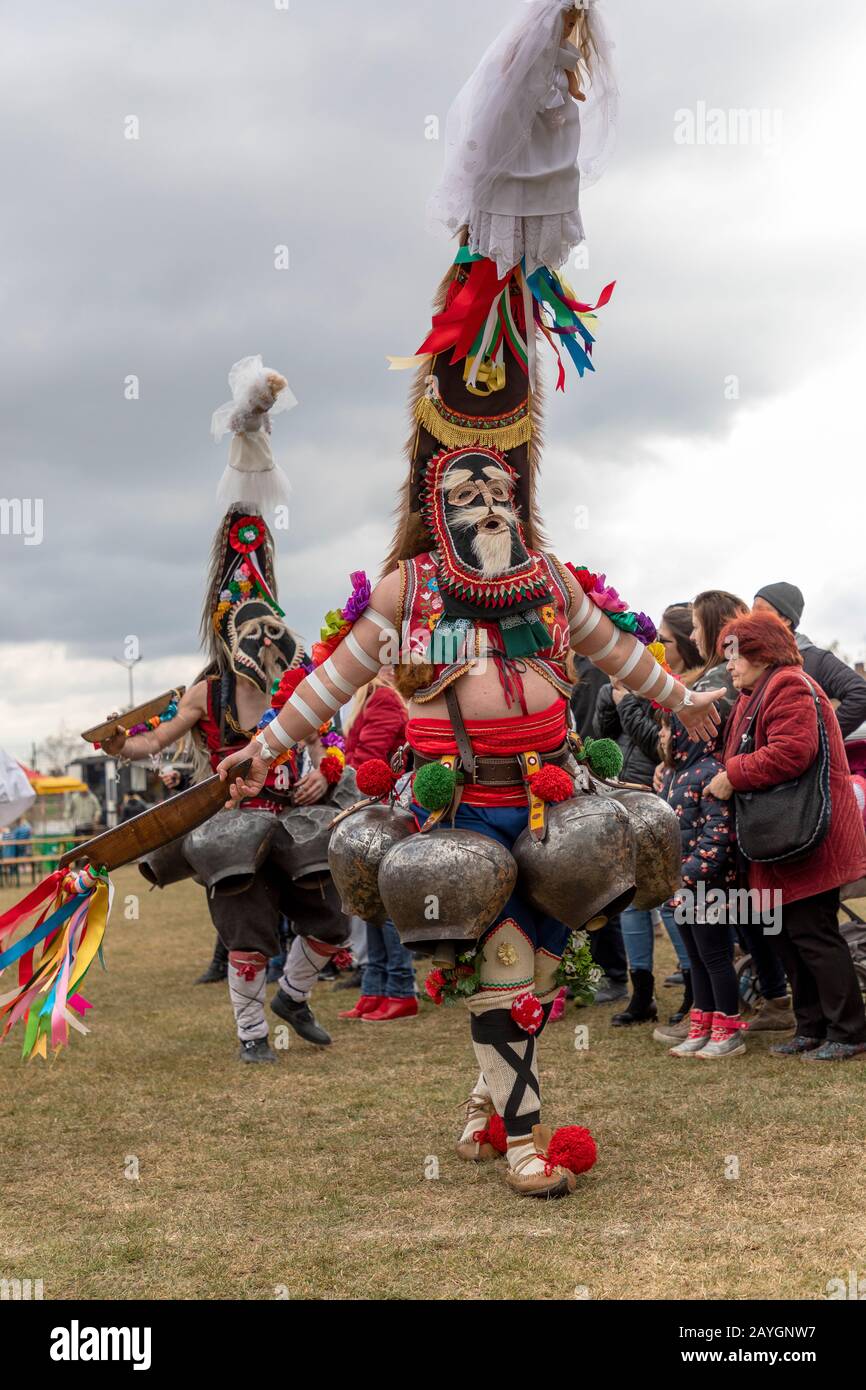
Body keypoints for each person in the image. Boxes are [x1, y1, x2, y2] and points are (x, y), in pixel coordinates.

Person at [100, 359, 354, 1063]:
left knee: (331, 924)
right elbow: (156, 745)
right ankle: (251, 1038)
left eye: (269, 630)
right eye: (250, 632)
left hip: (298, 820)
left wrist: (326, 769)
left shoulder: (297, 681)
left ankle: (294, 1000)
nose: (262, 644)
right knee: (247, 940)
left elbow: (331, 735)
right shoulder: (203, 692)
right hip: (232, 827)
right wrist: (122, 744)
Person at [710, 612, 866, 1062]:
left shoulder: (790, 685)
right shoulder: (754, 693)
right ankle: (812, 1025)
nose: (730, 666)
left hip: (808, 834)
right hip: (782, 836)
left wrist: (732, 776)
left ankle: (849, 1030)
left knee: (813, 933)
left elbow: (792, 752)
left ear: (762, 652)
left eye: (735, 655)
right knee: (787, 936)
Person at [683, 589, 795, 1037]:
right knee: (748, 917)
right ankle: (757, 1001)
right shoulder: (729, 677)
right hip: (728, 802)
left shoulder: (742, 681)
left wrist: (730, 773)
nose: (693, 634)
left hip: (738, 812)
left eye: (695, 625)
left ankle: (769, 1002)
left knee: (754, 916)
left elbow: (784, 749)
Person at [612, 605, 701, 1027]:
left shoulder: (684, 690)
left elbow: (656, 746)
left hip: (659, 799)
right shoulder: (646, 682)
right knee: (629, 900)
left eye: (663, 640)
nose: (655, 647)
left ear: (684, 645)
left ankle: (692, 988)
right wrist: (618, 695)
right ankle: (641, 992)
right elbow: (604, 727)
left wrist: (629, 703)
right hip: (625, 792)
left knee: (668, 898)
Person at [653, 716, 742, 1058]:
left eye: (666, 728)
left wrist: (686, 876)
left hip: (709, 887)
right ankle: (701, 1024)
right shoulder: (675, 775)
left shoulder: (709, 772)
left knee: (716, 957)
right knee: (695, 958)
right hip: (683, 888)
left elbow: (717, 834)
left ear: (687, 733)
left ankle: (728, 1029)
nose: (661, 735)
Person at [338, 673, 418, 1022]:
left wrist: (338, 777)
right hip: (377, 807)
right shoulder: (369, 697)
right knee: (372, 900)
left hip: (385, 808)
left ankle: (400, 989)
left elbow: (369, 758)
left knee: (384, 902)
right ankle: (375, 987)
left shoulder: (381, 697)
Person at [753, 583, 866, 738]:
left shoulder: (815, 660)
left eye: (760, 611)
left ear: (785, 619)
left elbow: (860, 694)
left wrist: (821, 739)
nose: (752, 618)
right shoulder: (752, 662)